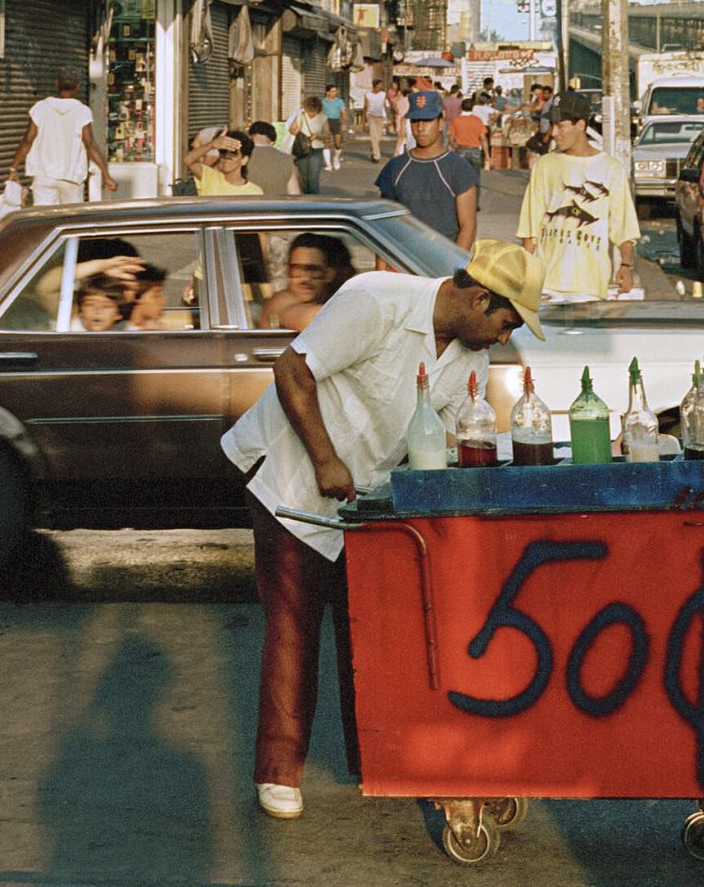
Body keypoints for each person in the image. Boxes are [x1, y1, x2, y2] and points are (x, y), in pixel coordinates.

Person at [222, 239, 545, 819]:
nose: (505, 337)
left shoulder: (469, 359)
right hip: (294, 479)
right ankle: (279, 772)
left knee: (378, 629)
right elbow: (292, 369)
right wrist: (325, 459)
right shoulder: (376, 300)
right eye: (506, 321)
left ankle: (380, 759)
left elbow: (446, 443)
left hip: (367, 498)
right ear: (479, 297)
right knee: (295, 624)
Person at [517, 91, 639, 302]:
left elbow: (623, 227)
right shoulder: (544, 166)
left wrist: (626, 266)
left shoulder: (611, 169)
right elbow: (531, 229)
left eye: (561, 125)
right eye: (552, 125)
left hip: (590, 284)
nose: (554, 133)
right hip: (546, 283)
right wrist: (523, 278)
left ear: (581, 125)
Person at [375, 89, 480, 249]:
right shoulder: (395, 167)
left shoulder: (459, 168)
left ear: (440, 123)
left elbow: (468, 227)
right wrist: (382, 271)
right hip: (404, 260)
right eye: (416, 121)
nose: (421, 127)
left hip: (444, 260)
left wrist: (454, 268)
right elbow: (384, 224)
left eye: (428, 120)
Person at [8, 73, 116, 206]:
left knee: (44, 218)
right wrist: (106, 176)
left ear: (56, 84)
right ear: (78, 87)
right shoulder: (82, 111)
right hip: (71, 177)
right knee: (71, 220)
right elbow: (90, 144)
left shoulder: (41, 108)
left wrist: (14, 168)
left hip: (44, 175)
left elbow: (27, 140)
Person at [261, 232, 356, 333]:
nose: (304, 279)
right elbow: (318, 320)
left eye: (313, 270)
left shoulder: (327, 301)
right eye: (296, 269)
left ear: (329, 274)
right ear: (287, 270)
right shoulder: (280, 303)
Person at [185, 125, 262, 196]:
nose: (227, 156)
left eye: (233, 153)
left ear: (244, 160)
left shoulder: (254, 192)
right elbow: (188, 160)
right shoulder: (209, 177)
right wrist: (212, 145)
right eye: (223, 152)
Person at [246, 120, 297, 197]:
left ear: (249, 137)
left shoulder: (240, 158)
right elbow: (294, 193)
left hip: (245, 206)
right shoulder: (287, 159)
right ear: (272, 143)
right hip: (278, 206)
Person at [288, 97, 326, 195]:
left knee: (313, 176)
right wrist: (295, 131)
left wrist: (318, 135)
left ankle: (314, 198)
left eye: (314, 111)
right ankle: (305, 195)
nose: (311, 113)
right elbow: (292, 128)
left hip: (316, 149)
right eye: (310, 110)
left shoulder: (323, 117)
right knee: (303, 175)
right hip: (302, 149)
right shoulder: (301, 116)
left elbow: (327, 133)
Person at [449, 102, 488, 171]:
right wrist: (487, 155)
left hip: (461, 149)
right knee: (475, 176)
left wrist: (453, 147)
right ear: (472, 108)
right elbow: (483, 138)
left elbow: (451, 137)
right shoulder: (478, 120)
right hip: (475, 150)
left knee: (461, 175)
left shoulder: (456, 120)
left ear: (461, 108)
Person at [320, 84, 347, 172]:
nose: (334, 93)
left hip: (336, 121)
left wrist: (344, 123)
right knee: (326, 143)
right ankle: (328, 164)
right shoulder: (323, 101)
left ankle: (336, 158)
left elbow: (343, 113)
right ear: (327, 92)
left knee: (337, 143)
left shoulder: (339, 101)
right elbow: (319, 113)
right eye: (332, 91)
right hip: (326, 122)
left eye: (335, 91)